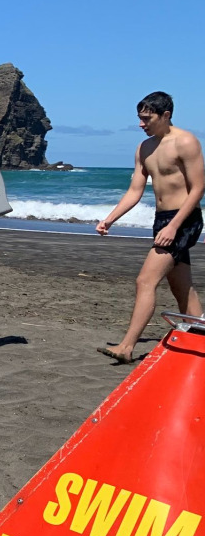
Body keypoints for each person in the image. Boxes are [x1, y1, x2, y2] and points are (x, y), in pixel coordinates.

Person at [95, 91, 204, 364]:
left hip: (183, 220)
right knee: (182, 287)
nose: (142, 124)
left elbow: (199, 188)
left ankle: (127, 347)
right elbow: (135, 191)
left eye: (147, 118)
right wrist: (110, 218)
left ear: (166, 115)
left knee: (145, 281)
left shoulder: (186, 142)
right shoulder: (144, 148)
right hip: (162, 220)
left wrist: (174, 226)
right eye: (139, 119)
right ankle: (200, 339)